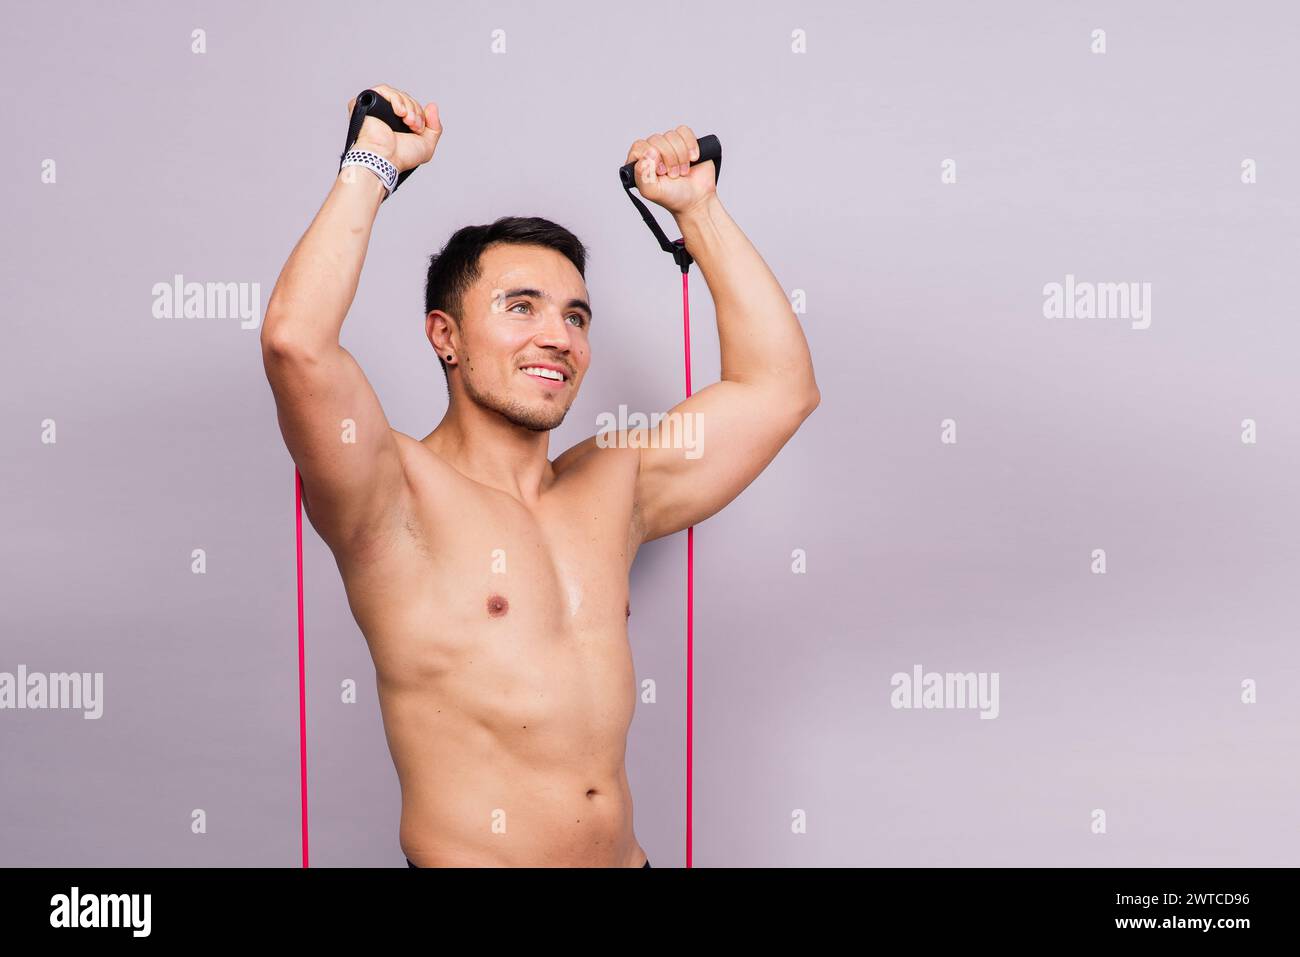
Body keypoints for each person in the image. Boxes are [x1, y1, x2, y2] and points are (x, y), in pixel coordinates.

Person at [260, 83, 820, 867]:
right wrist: (371, 163)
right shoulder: (390, 492)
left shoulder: (611, 483)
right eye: (521, 307)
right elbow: (296, 342)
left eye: (576, 316)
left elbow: (779, 390)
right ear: (444, 335)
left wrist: (697, 212)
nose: (558, 336)